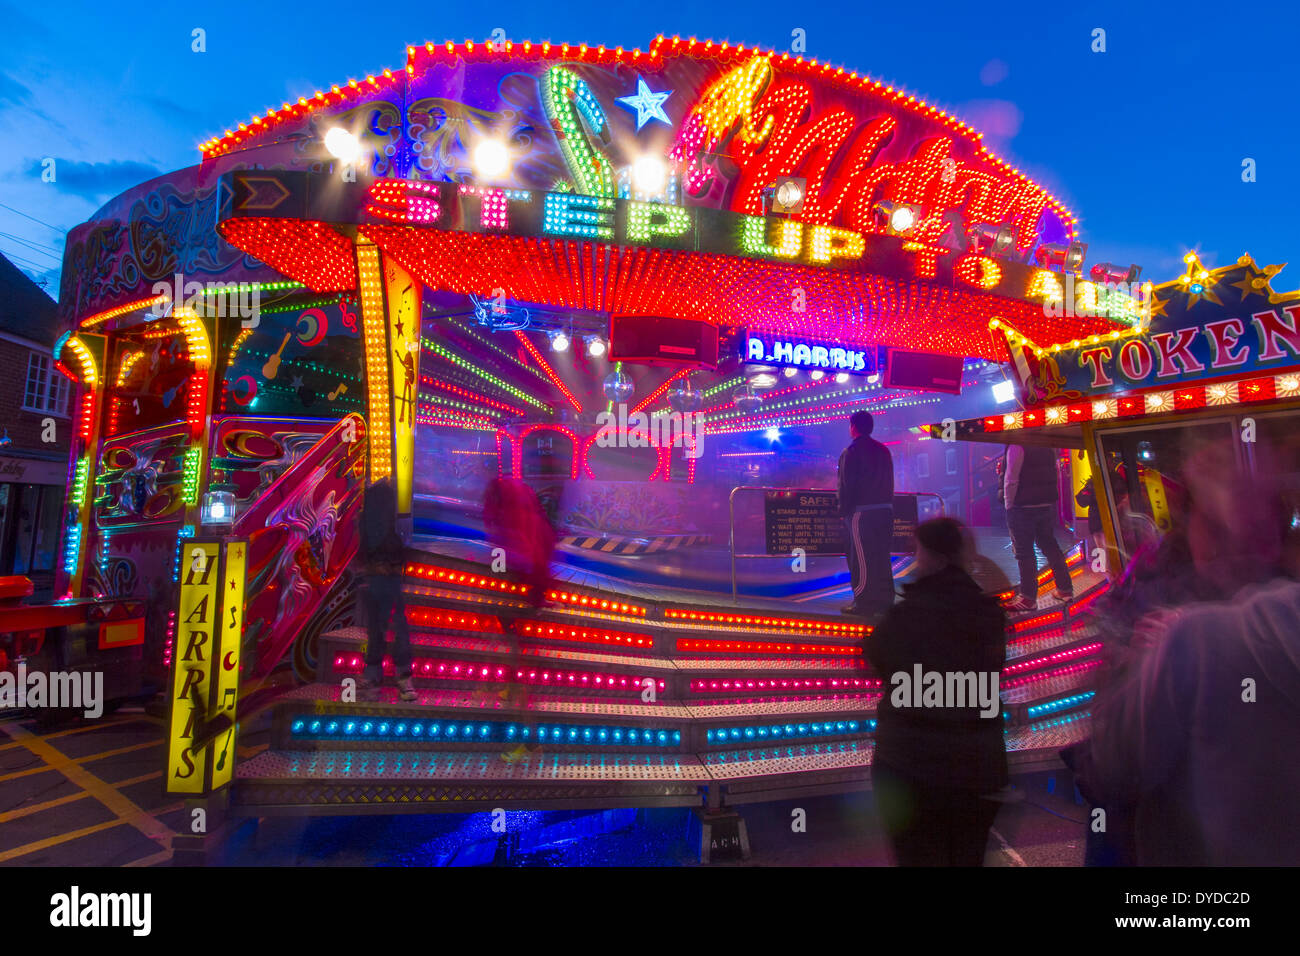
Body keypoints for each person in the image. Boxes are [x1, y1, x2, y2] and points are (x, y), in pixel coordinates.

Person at [864, 517, 1008, 866]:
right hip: (978, 766)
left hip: (912, 767)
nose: (916, 560)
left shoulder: (906, 616)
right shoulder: (990, 615)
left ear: (938, 559)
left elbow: (876, 659)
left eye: (920, 552)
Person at [358, 477, 417, 702]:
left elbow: (367, 544)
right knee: (394, 626)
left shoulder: (369, 511)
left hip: (379, 575)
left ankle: (376, 675)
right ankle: (400, 676)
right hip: (385, 576)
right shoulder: (386, 512)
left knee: (380, 627)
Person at [837, 410, 895, 620]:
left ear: (853, 427)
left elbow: (846, 485)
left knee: (860, 558)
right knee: (881, 557)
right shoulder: (883, 450)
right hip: (885, 511)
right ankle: (885, 601)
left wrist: (843, 511)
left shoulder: (851, 451)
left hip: (861, 513)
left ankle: (863, 602)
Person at [1003, 443, 1071, 611]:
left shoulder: (1018, 445)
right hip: (1046, 504)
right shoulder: (1046, 444)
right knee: (1050, 545)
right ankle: (1065, 589)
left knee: (1024, 552)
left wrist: (1008, 504)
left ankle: (1028, 597)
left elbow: (1011, 477)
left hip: (1023, 507)